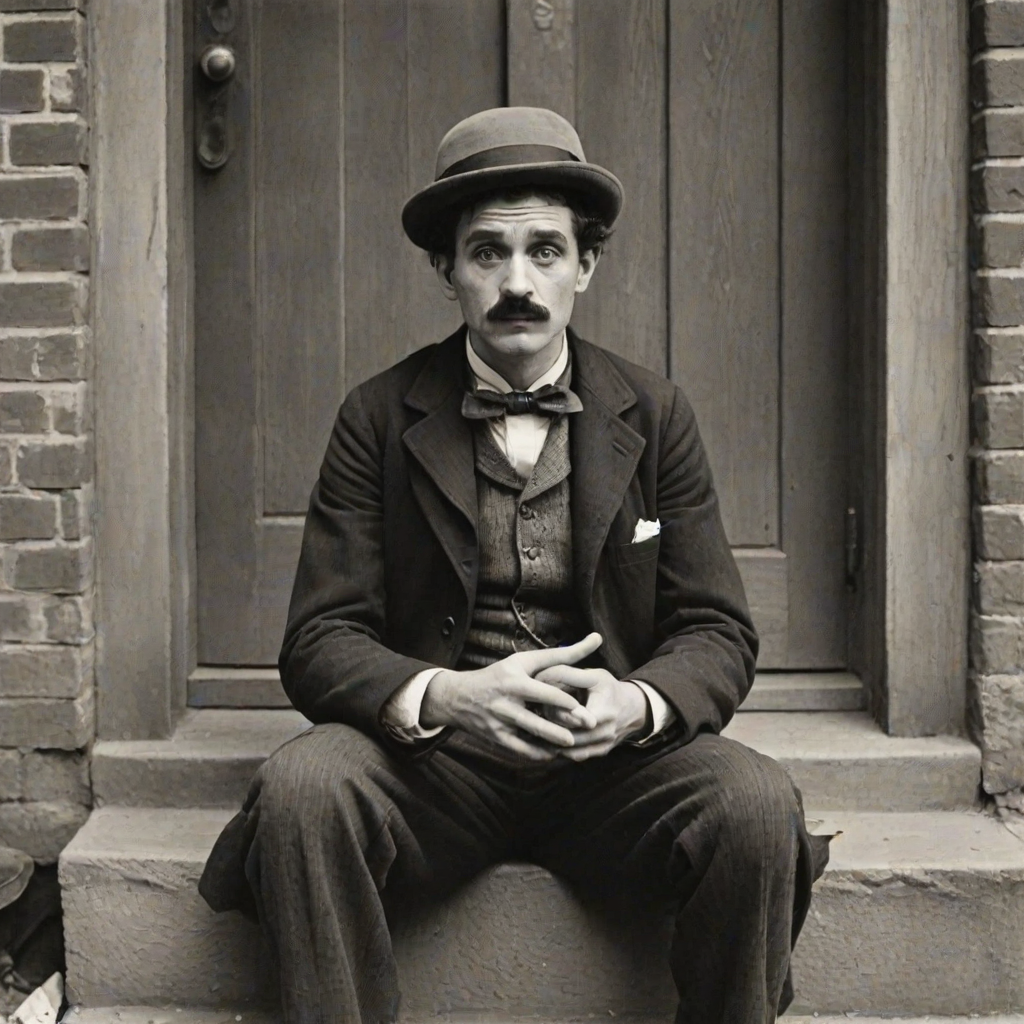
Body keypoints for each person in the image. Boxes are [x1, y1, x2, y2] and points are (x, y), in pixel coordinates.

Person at [199, 106, 828, 1024]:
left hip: (608, 773)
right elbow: (319, 639)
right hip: (435, 770)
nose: (518, 282)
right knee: (302, 789)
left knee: (757, 802)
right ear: (446, 270)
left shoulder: (655, 416)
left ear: (586, 265)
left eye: (544, 250)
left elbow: (717, 629)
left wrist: (637, 704)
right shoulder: (377, 417)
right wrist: (448, 699)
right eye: (488, 253)